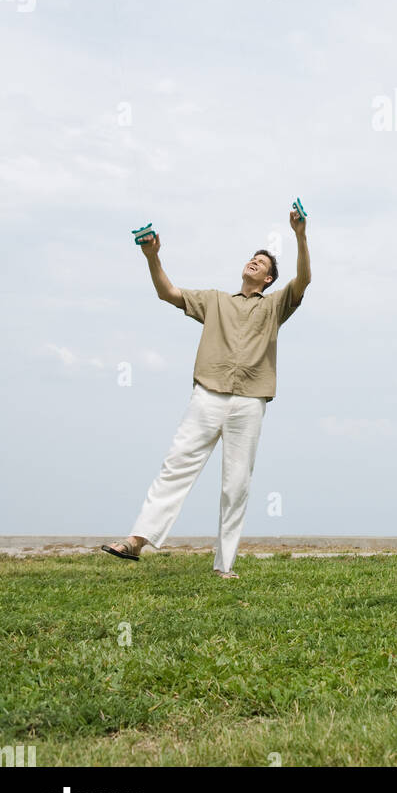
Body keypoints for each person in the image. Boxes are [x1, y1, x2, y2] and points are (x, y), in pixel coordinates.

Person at [102, 209, 310, 579]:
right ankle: (136, 540)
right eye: (252, 257)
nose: (253, 261)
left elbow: (304, 280)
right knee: (176, 465)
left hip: (250, 400)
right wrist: (153, 257)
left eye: (261, 262)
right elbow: (168, 292)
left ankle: (224, 566)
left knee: (236, 485)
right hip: (208, 395)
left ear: (269, 277)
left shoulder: (276, 304)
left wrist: (300, 234)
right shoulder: (215, 300)